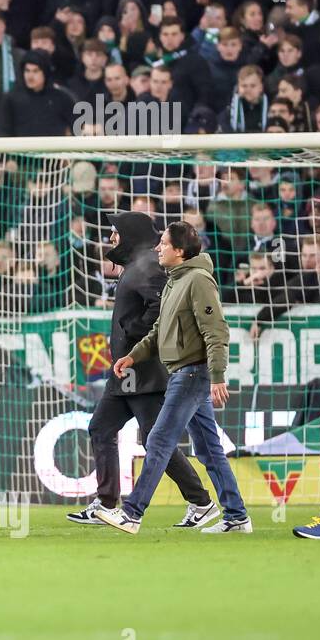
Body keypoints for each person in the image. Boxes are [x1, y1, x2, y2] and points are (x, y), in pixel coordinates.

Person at [100, 221, 251, 535]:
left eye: (164, 244)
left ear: (179, 251)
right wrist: (133, 356)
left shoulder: (198, 280)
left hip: (193, 372)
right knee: (208, 449)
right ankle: (237, 516)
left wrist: (218, 375)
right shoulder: (175, 280)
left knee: (157, 440)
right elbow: (159, 331)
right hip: (182, 371)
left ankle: (132, 513)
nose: (158, 248)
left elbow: (216, 331)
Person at [67, 213, 217, 528]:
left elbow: (161, 307)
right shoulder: (138, 264)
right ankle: (106, 503)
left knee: (154, 439)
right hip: (127, 370)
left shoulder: (148, 265)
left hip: (145, 371)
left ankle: (201, 502)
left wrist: (132, 330)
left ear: (130, 233)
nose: (111, 238)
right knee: (101, 428)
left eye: (115, 232)